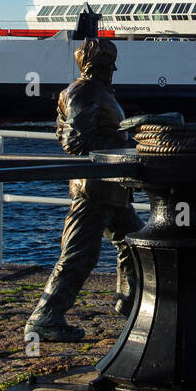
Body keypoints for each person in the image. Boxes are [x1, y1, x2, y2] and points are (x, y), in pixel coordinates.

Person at [25, 37, 142, 342]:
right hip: (94, 188)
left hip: (112, 187)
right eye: (109, 61)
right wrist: (126, 145)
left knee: (135, 242)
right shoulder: (84, 91)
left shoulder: (96, 91)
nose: (114, 67)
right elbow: (75, 142)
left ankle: (128, 301)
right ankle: (44, 318)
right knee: (79, 254)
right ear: (96, 64)